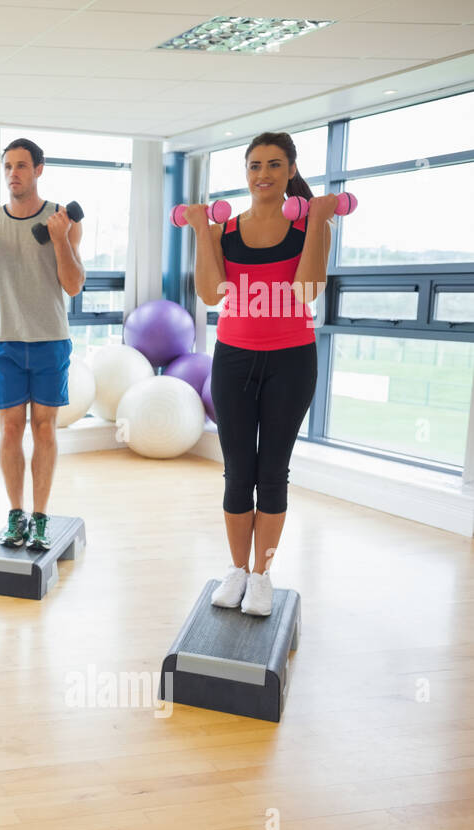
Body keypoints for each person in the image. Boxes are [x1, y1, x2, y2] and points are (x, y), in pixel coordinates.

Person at [186, 131, 333, 616]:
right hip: (233, 360)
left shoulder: (311, 225)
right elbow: (210, 294)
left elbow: (307, 289)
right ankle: (237, 571)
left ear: (290, 170)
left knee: (272, 473)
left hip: (291, 361)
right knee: (237, 471)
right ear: (245, 173)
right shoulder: (222, 231)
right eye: (254, 166)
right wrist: (196, 231)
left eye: (274, 165)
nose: (263, 174)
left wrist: (318, 221)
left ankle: (263, 576)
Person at [0, 138, 84, 551]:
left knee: (45, 429)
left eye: (21, 166)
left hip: (50, 339)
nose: (13, 174)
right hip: (4, 340)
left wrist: (62, 240)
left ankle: (41, 517)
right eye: (8, 167)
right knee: (11, 430)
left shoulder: (61, 219)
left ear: (39, 170)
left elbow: (72, 284)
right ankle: (16, 516)